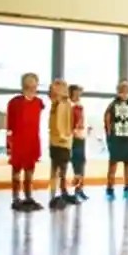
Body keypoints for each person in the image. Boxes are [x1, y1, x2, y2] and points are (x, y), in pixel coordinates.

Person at [7, 72, 45, 212]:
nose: (32, 87)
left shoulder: (38, 102)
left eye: (34, 84)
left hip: (32, 140)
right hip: (18, 140)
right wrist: (9, 143)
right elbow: (10, 124)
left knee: (29, 171)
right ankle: (16, 197)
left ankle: (28, 196)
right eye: (29, 84)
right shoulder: (14, 102)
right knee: (16, 170)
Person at [105, 80, 128, 200]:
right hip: (116, 138)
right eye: (122, 92)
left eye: (127, 92)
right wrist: (109, 135)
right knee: (113, 164)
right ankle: (110, 189)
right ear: (118, 92)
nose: (124, 94)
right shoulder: (113, 105)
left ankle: (127, 188)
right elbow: (107, 119)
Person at [47, 79, 78, 210]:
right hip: (59, 142)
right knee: (58, 170)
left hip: (63, 142)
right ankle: (56, 195)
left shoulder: (64, 104)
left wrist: (67, 136)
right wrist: (63, 136)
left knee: (61, 170)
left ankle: (61, 193)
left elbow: (68, 122)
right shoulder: (58, 105)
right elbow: (57, 124)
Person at [69, 84, 90, 201]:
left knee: (81, 163)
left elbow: (82, 121)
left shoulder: (80, 106)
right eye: (75, 93)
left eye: (79, 93)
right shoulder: (70, 107)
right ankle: (75, 190)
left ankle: (80, 189)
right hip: (73, 138)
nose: (78, 95)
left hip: (81, 137)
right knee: (77, 164)